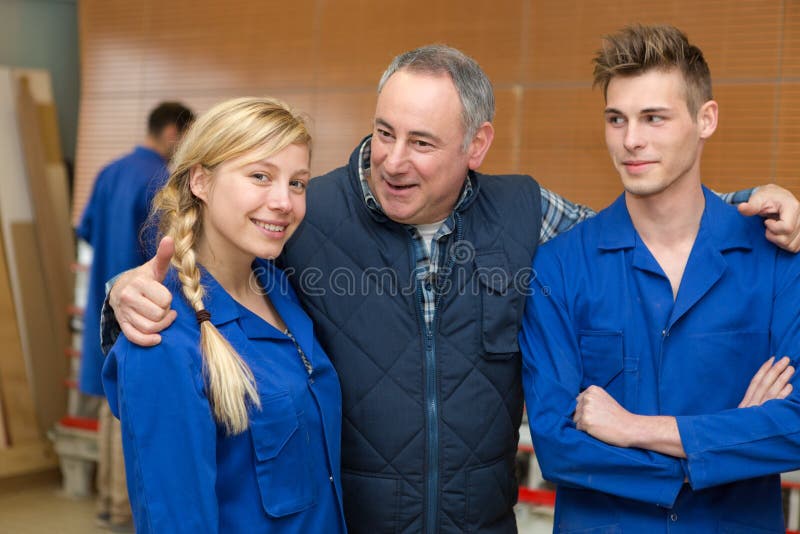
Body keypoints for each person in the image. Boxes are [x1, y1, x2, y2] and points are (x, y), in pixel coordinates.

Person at [104, 45, 800, 533]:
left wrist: (747, 203)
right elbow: (207, 286)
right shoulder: (305, 219)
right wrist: (123, 300)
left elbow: (638, 225)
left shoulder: (527, 215)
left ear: (477, 145)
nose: (394, 161)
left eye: (424, 143)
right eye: (383, 134)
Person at [519, 24, 800, 533]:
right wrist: (729, 444)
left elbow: (797, 426)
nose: (631, 140)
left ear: (705, 118)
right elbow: (558, 446)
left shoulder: (776, 256)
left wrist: (632, 429)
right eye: (616, 119)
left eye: (654, 118)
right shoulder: (558, 267)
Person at [101, 97, 346, 533]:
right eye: (260, 176)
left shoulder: (284, 289)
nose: (284, 202)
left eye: (297, 183)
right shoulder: (162, 339)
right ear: (201, 181)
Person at [77, 101, 193, 530]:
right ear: (171, 135)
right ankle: (124, 508)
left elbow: (86, 230)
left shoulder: (108, 171)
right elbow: (172, 249)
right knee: (131, 406)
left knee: (110, 404)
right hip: (145, 310)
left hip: (105, 306)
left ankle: (108, 501)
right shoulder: (160, 181)